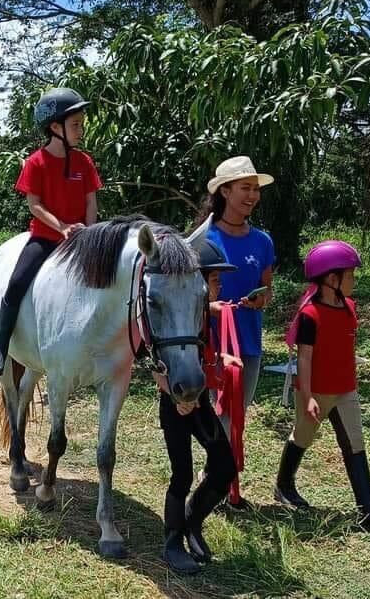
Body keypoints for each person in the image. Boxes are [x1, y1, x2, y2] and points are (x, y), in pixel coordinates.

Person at [274, 240, 370, 530]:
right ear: (332, 279)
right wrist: (307, 396)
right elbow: (305, 359)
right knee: (302, 437)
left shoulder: (349, 308)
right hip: (316, 391)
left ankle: (369, 508)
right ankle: (284, 485)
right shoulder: (310, 315)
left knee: (354, 443)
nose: (353, 280)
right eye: (350, 275)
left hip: (345, 389)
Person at [0, 88, 102, 375]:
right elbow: (34, 205)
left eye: (81, 124)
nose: (81, 130)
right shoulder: (35, 162)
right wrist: (61, 227)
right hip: (46, 238)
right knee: (15, 284)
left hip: (80, 240)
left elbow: (91, 202)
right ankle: (0, 349)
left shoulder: (84, 162)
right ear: (55, 126)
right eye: (75, 125)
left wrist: (87, 233)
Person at [156, 240, 239, 574]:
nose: (219, 286)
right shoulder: (175, 318)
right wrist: (177, 398)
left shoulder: (202, 315)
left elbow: (200, 356)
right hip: (175, 402)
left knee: (224, 467)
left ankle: (192, 520)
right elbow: (153, 362)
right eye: (215, 280)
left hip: (199, 399)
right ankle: (172, 542)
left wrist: (222, 359)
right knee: (183, 472)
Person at [197, 156, 275, 507]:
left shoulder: (263, 241)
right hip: (209, 342)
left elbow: (266, 287)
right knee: (218, 413)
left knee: (236, 412)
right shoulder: (202, 240)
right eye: (245, 188)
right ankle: (217, 479)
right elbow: (187, 293)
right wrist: (210, 308)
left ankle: (217, 475)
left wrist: (261, 300)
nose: (252, 195)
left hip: (248, 340)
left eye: (255, 189)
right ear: (225, 191)